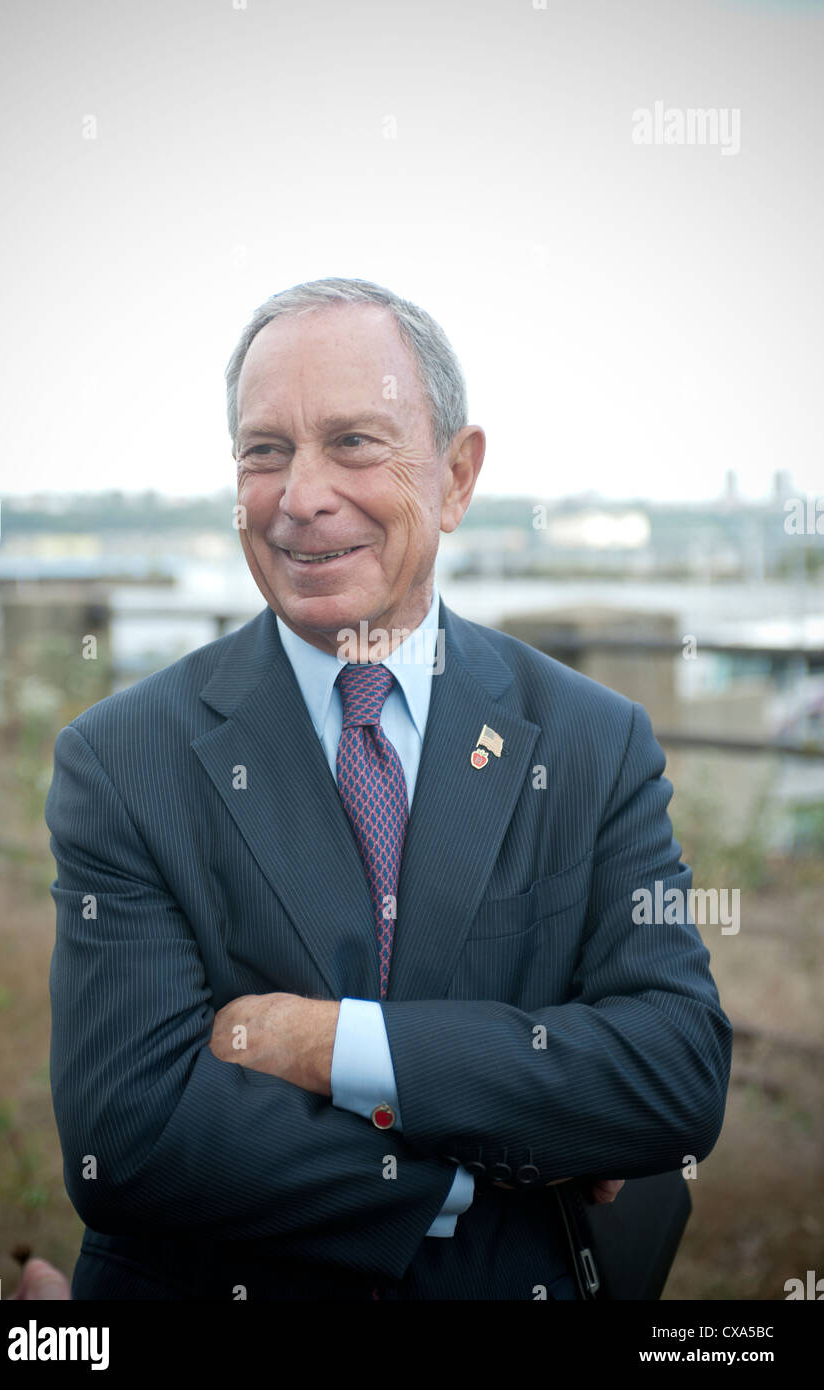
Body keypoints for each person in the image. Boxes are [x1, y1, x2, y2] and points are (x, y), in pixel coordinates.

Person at [45, 277, 732, 1300]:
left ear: (456, 477)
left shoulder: (589, 740)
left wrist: (327, 1045)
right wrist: (507, 1154)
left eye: (354, 443)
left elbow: (672, 1071)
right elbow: (131, 1135)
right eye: (263, 450)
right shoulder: (124, 757)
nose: (299, 495)